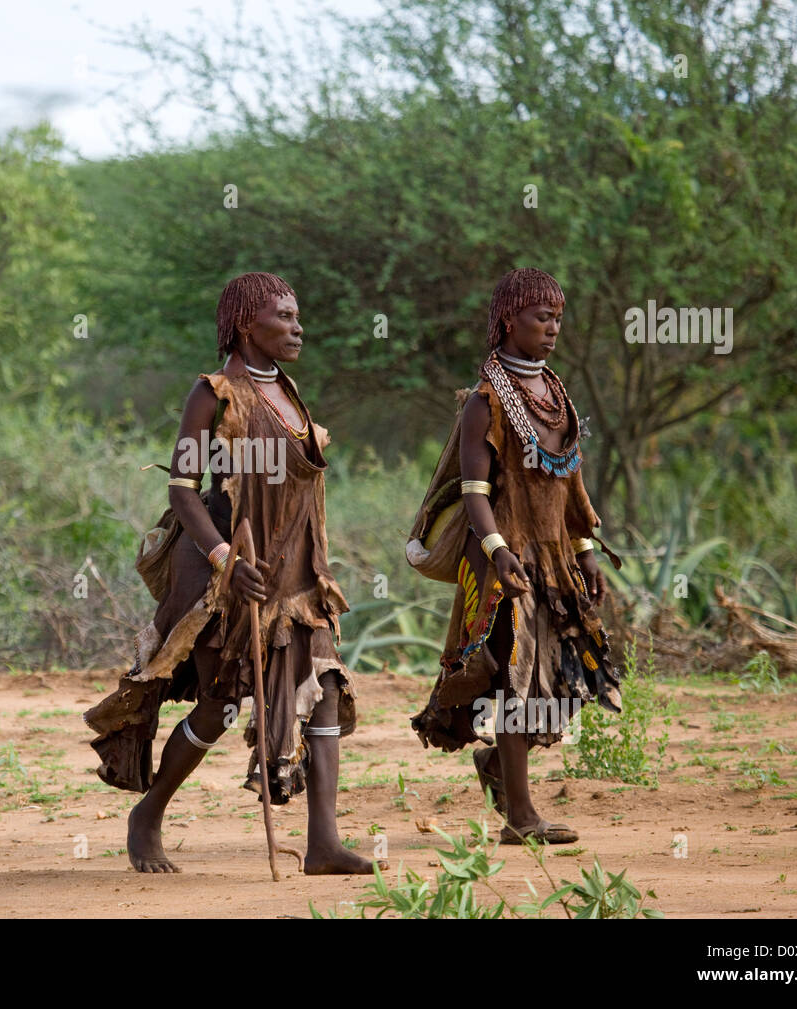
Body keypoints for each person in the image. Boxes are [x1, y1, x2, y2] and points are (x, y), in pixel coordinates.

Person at [85, 272, 373, 875]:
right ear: (247, 325)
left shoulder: (290, 394)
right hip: (221, 569)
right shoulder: (213, 394)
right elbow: (184, 491)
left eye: (297, 316)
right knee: (219, 704)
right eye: (284, 317)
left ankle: (323, 844)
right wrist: (226, 560)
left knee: (320, 693)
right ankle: (149, 813)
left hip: (293, 577)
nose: (298, 327)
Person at [406, 268, 622, 843]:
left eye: (557, 318)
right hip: (505, 559)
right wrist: (499, 552)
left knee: (569, 676)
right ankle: (521, 818)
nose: (552, 329)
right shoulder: (485, 403)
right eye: (540, 317)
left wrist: (586, 551)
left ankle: (500, 769)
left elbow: (569, 485)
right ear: (508, 320)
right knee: (515, 678)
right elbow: (476, 493)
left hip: (556, 560)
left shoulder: (556, 395)